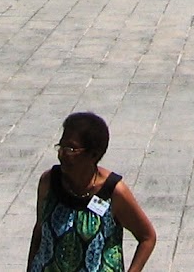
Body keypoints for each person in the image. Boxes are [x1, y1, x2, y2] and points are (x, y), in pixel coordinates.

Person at [28, 112, 156, 272]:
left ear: (93, 154)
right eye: (61, 147)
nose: (62, 154)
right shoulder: (49, 182)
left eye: (71, 148)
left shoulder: (114, 192)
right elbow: (39, 232)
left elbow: (147, 237)